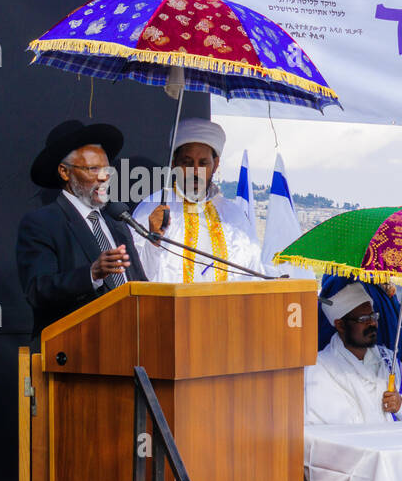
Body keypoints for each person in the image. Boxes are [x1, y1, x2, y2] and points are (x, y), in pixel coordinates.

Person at [17, 120, 147, 342]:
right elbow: (38, 290)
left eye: (107, 169)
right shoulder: (42, 223)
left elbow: (138, 283)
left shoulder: (117, 222)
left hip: (130, 344)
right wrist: (92, 274)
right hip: (77, 348)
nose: (104, 177)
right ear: (65, 172)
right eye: (93, 169)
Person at [132, 119, 266, 282]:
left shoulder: (233, 215)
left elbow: (254, 275)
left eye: (203, 163)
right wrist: (153, 240)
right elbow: (135, 277)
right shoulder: (151, 208)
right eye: (187, 162)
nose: (195, 171)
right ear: (174, 163)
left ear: (215, 165)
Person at [305, 282, 402, 425]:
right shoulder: (319, 369)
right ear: (340, 325)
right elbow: (317, 430)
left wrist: (401, 406)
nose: (373, 323)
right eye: (363, 319)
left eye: (373, 316)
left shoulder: (389, 361)